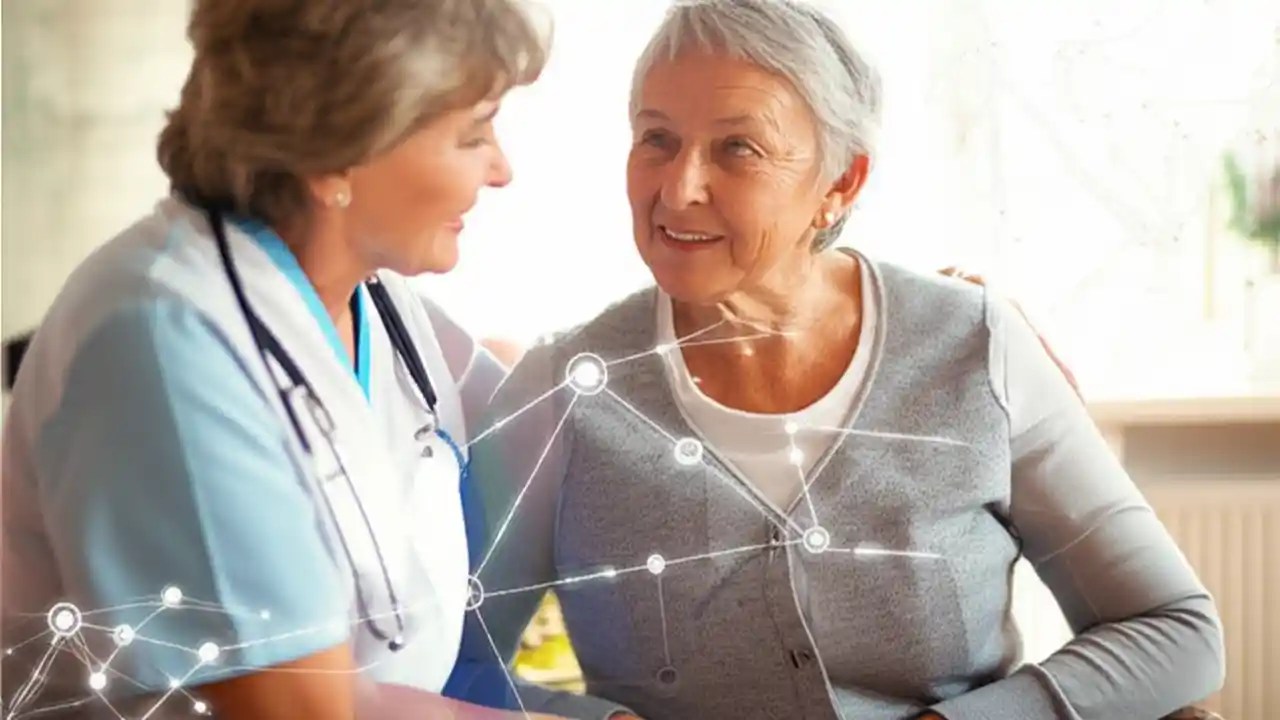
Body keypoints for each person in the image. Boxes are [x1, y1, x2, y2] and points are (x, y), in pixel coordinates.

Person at [450, 1, 1226, 719]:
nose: (679, 187)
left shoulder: (976, 347)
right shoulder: (561, 390)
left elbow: (1176, 631)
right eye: (657, 139)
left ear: (840, 181)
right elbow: (449, 663)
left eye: (737, 149)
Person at [0, 1, 563, 718]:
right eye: (473, 135)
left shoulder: (374, 301)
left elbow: (554, 442)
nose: (502, 170)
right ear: (337, 156)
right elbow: (300, 709)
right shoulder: (163, 342)